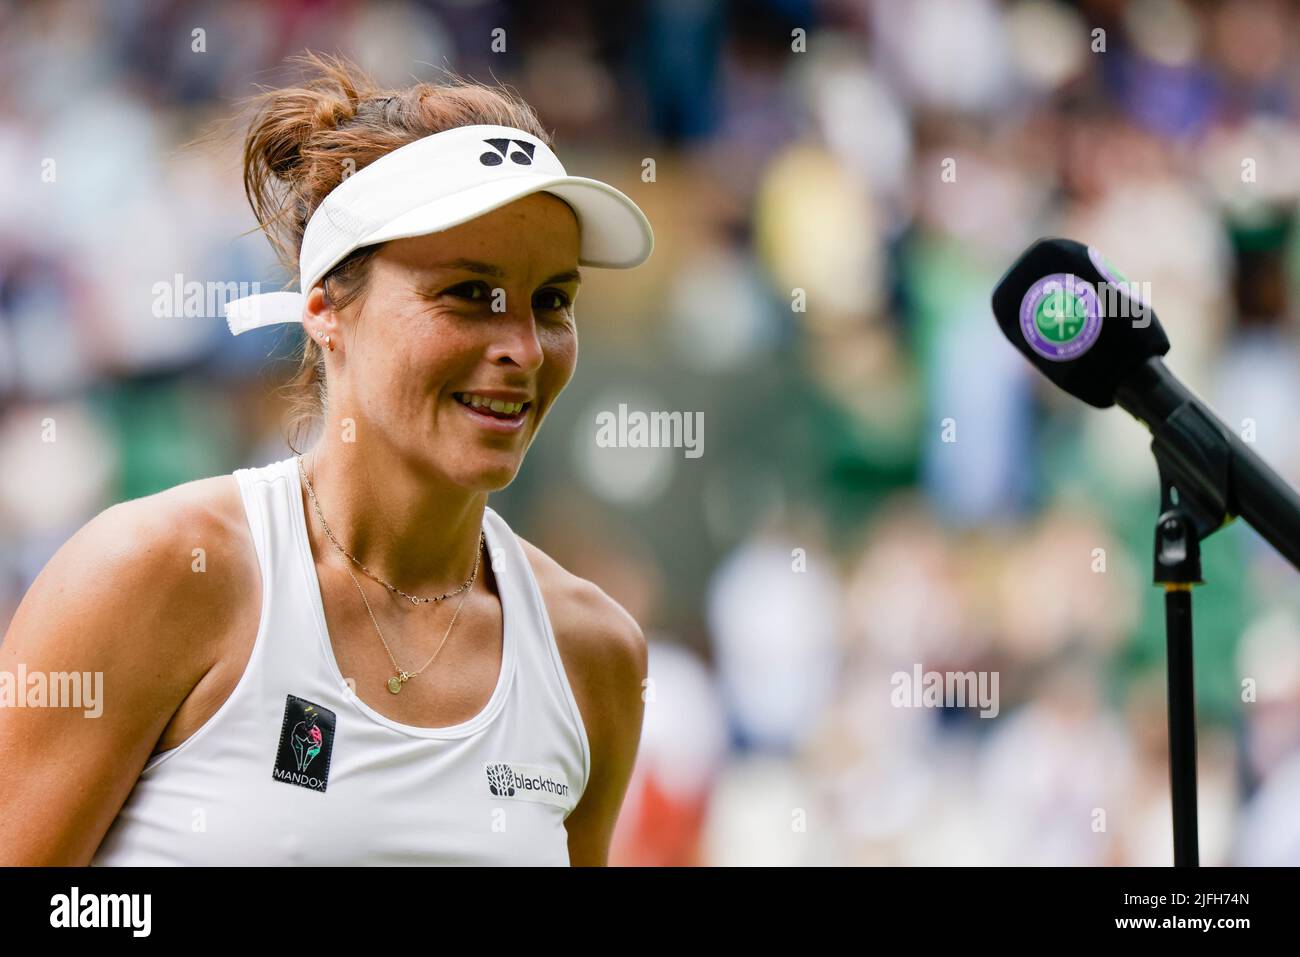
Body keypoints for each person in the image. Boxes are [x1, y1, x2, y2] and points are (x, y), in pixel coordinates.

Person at [0, 54, 653, 866]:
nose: (522, 346)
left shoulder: (594, 653)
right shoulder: (153, 572)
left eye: (551, 301)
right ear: (325, 310)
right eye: (466, 292)